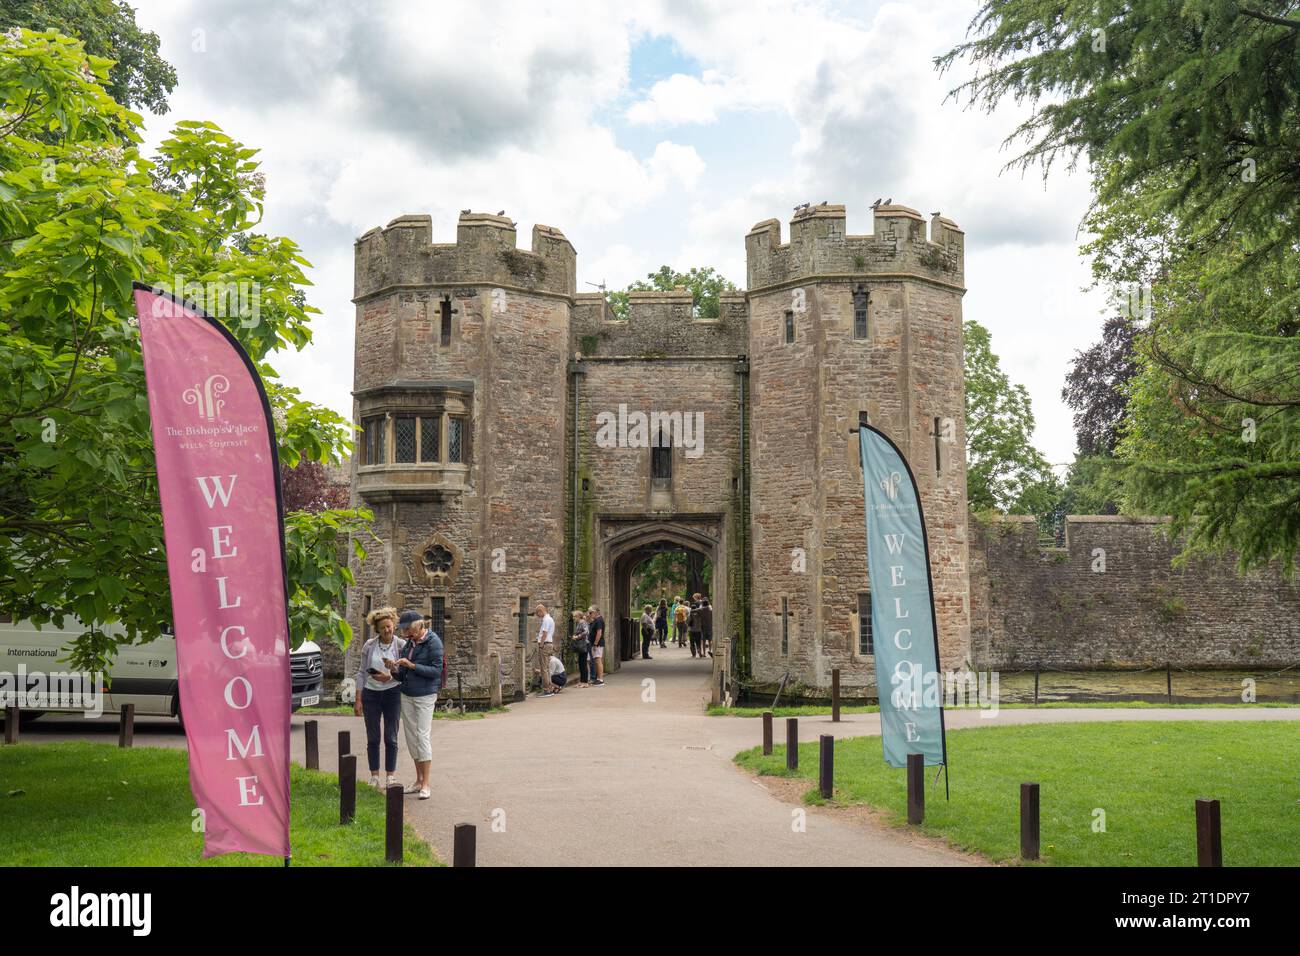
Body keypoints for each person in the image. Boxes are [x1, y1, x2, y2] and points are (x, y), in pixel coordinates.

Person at [386, 609, 443, 800]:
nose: (405, 633)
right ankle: (418, 780)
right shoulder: (409, 643)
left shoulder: (433, 641)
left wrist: (412, 666)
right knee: (411, 738)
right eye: (404, 630)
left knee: (422, 736)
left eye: (408, 629)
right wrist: (393, 670)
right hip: (407, 694)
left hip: (425, 695)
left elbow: (436, 671)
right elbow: (402, 675)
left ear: (419, 625)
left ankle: (426, 783)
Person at [353, 605, 406, 789]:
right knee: (373, 737)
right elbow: (361, 672)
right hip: (371, 694)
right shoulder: (369, 646)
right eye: (383, 627)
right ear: (377, 629)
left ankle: (390, 776)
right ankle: (374, 775)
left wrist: (391, 674)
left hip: (392, 693)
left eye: (389, 626)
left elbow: (405, 672)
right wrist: (358, 699)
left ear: (394, 626)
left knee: (391, 736)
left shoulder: (401, 646)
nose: (386, 630)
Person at [534, 603, 556, 694]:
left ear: (540, 611)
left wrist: (541, 645)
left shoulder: (546, 620)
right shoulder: (550, 619)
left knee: (544, 668)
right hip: (549, 644)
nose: (537, 616)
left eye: (537, 613)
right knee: (546, 667)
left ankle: (546, 689)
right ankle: (550, 687)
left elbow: (544, 634)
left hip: (545, 644)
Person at [571, 609, 591, 687]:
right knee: (581, 663)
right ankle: (582, 681)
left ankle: (585, 682)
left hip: (584, 645)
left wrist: (578, 636)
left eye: (574, 617)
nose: (573, 618)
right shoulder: (579, 623)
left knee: (583, 664)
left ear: (578, 616)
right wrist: (575, 636)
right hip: (581, 645)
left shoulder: (583, 622)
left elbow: (586, 632)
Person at [587, 606, 606, 685]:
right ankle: (598, 678)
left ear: (596, 612)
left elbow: (599, 633)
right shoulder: (596, 620)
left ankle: (600, 679)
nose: (589, 614)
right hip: (596, 643)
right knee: (596, 660)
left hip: (597, 644)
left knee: (598, 660)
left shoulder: (598, 620)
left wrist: (595, 643)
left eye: (590, 613)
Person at [687, 592, 704, 658]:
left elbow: (688, 620)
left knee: (692, 642)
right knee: (698, 641)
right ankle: (699, 649)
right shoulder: (699, 614)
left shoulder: (691, 613)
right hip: (698, 629)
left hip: (692, 629)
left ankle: (693, 653)